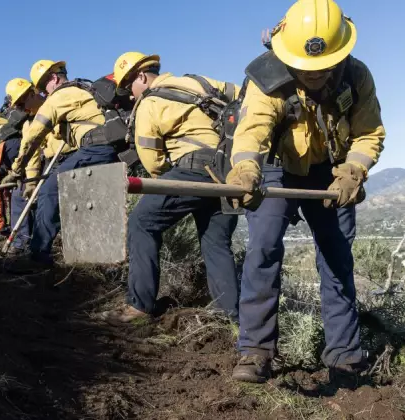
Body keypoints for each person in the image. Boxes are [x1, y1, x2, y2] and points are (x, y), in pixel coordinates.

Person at [225, 0, 386, 383]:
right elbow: (252, 131)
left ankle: (345, 356)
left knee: (336, 258)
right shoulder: (267, 77)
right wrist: (246, 169)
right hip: (277, 169)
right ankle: (255, 352)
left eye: (322, 66)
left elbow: (369, 132)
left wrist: (354, 170)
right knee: (263, 251)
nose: (314, 74)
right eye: (306, 67)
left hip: (332, 173)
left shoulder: (356, 76)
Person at [100, 52, 241, 323]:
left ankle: (138, 306)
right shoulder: (197, 81)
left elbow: (152, 161)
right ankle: (231, 316)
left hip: (192, 170)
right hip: (227, 171)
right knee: (216, 242)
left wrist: (170, 181)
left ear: (141, 76)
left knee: (142, 222)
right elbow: (240, 97)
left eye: (130, 86)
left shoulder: (149, 102)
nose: (130, 94)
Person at [9, 59, 122, 265]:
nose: (44, 93)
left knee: (50, 190)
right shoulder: (84, 89)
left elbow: (33, 137)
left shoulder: (59, 96)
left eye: (44, 88)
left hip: (95, 148)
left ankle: (38, 256)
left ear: (53, 78)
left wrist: (17, 169)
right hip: (113, 149)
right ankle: (104, 261)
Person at [0, 78, 47, 252]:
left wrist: (29, 178)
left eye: (22, 101)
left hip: (50, 155)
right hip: (34, 156)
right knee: (20, 194)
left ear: (31, 94)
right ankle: (24, 242)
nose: (21, 107)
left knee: (20, 195)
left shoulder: (45, 108)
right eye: (18, 104)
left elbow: (33, 146)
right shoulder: (28, 117)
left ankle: (20, 243)